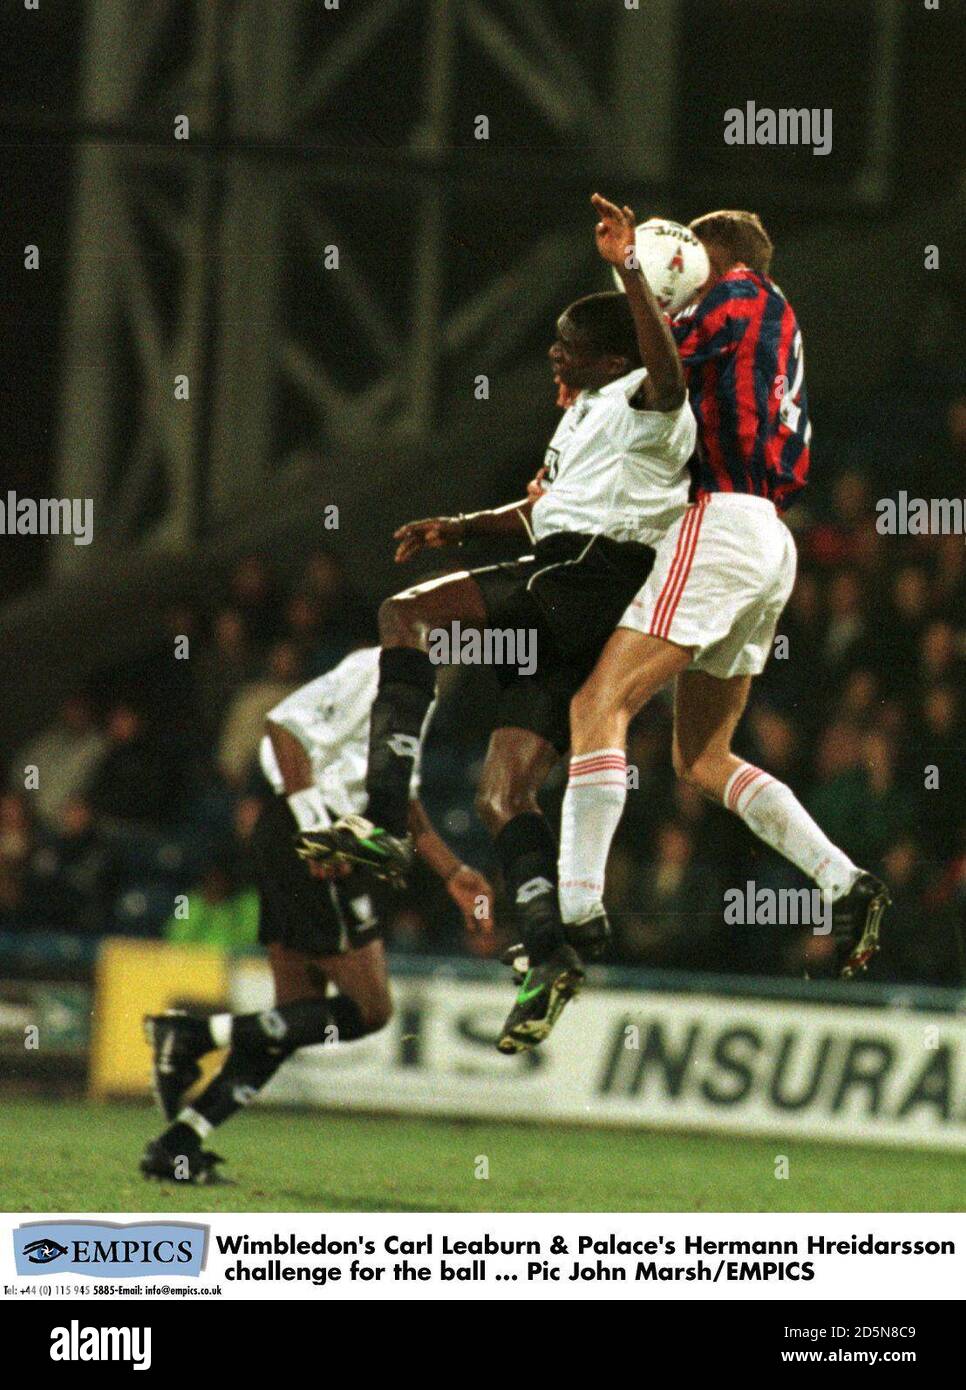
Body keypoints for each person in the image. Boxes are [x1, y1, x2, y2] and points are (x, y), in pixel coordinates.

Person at [299, 199, 702, 1054]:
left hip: (589, 577)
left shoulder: (645, 395)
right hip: (569, 590)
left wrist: (629, 269)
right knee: (499, 795)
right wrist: (456, 525)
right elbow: (535, 516)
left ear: (617, 355)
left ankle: (378, 821)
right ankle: (547, 953)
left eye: (569, 345)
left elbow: (665, 377)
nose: (554, 353)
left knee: (403, 615)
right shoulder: (583, 414)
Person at [549, 201, 890, 1050]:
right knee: (700, 759)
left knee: (598, 706)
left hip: (725, 521)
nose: (684, 265)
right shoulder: (776, 325)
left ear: (726, 253)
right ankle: (843, 882)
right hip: (772, 541)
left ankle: (576, 911)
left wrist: (630, 274)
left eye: (692, 248)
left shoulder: (742, 291)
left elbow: (659, 375)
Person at [140, 646, 493, 1184]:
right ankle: (192, 1036)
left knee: (294, 1015)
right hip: (313, 839)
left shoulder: (421, 693)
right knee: (371, 1008)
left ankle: (180, 1143)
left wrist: (451, 871)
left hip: (312, 840)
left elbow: (404, 800)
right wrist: (315, 833)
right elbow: (283, 728)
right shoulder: (376, 669)